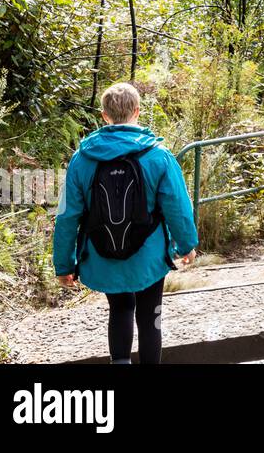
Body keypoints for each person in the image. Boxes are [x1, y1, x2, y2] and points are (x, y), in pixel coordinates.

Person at [53, 82, 199, 364]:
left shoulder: (81, 160)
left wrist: (64, 265)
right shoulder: (158, 156)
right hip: (150, 257)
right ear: (137, 112)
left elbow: (67, 216)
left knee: (119, 308)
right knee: (150, 315)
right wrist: (187, 245)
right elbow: (177, 206)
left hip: (102, 255)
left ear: (104, 116)